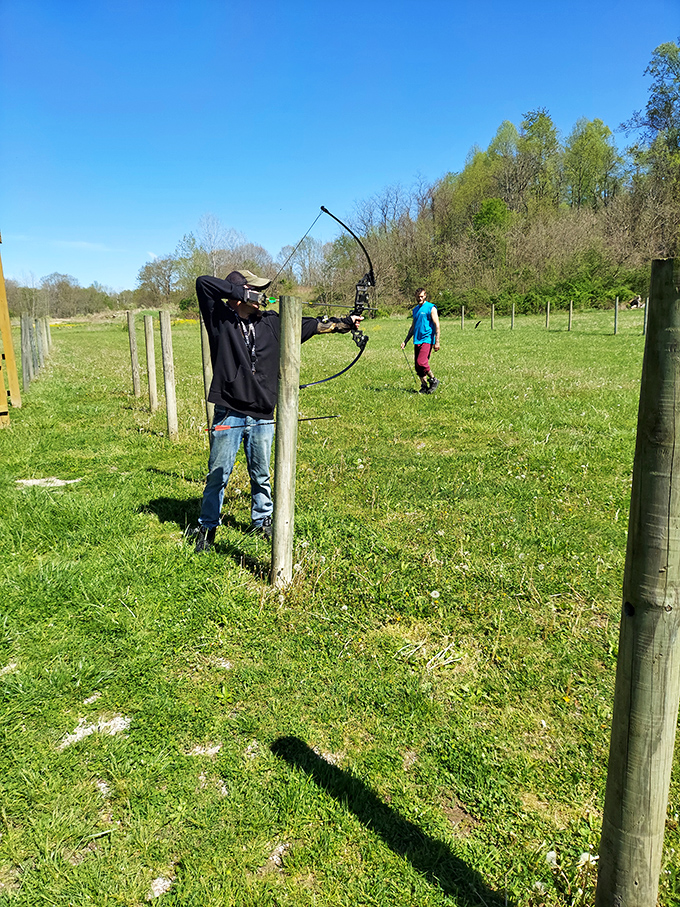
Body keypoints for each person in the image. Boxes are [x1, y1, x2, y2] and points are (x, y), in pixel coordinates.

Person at [190, 270, 363, 552]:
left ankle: (262, 521)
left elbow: (311, 326)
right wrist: (242, 295)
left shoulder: (271, 322)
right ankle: (207, 528)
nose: (261, 295)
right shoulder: (219, 319)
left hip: (261, 411)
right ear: (239, 292)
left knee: (261, 473)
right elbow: (203, 284)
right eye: (254, 290)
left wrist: (344, 323)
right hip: (229, 409)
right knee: (218, 473)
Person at [401, 287, 440, 394]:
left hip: (427, 339)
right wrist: (405, 341)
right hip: (417, 340)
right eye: (418, 297)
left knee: (422, 362)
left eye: (422, 296)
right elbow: (412, 327)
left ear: (425, 296)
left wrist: (437, 341)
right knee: (418, 367)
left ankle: (433, 379)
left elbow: (437, 325)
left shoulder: (431, 308)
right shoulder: (415, 310)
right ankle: (424, 386)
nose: (420, 299)